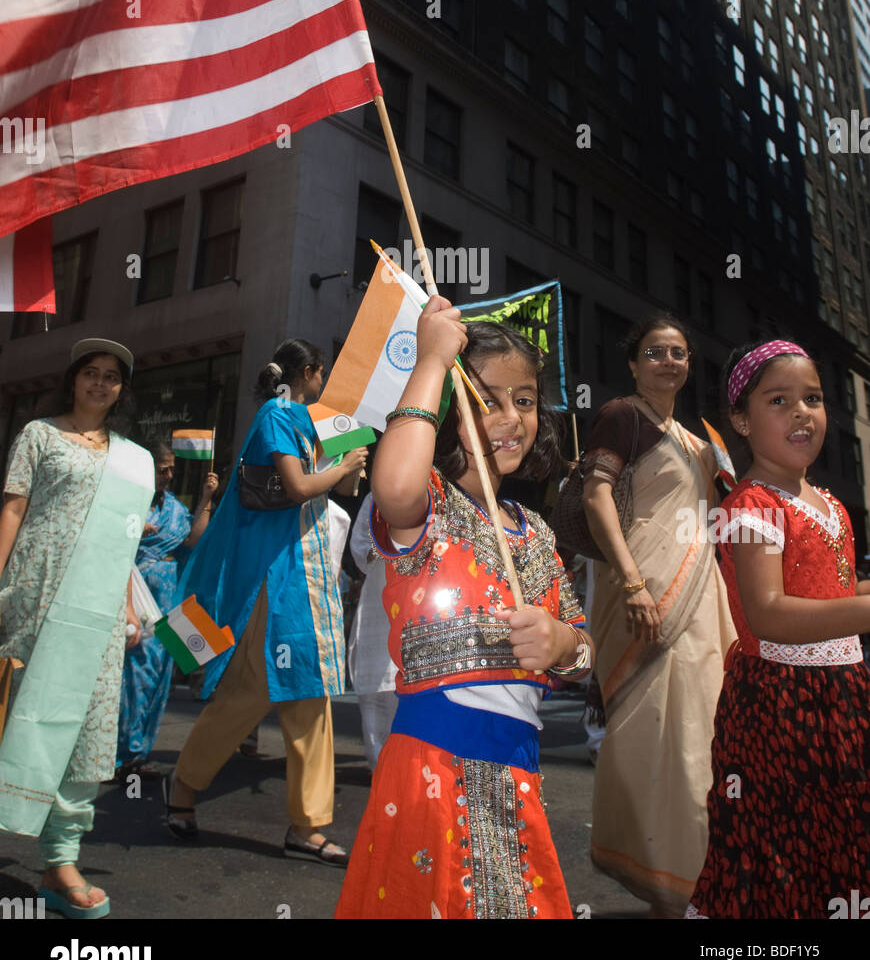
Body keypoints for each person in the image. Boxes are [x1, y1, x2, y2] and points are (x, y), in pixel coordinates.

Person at [335, 304, 592, 920]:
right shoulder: (425, 507)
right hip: (430, 774)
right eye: (487, 399)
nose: (510, 419)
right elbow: (394, 485)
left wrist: (560, 644)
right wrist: (430, 361)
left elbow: (585, 653)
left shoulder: (534, 531)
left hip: (518, 780)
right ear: (448, 410)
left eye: (525, 401)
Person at [163, 339, 367, 863]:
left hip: (306, 578)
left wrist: (350, 459)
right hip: (272, 579)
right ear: (309, 372)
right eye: (323, 374)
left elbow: (335, 492)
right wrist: (339, 469)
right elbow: (300, 487)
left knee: (310, 697)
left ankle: (308, 826)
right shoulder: (277, 416)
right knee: (247, 697)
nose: (326, 384)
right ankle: (182, 788)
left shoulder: (306, 421)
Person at [687, 340, 870, 918]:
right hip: (781, 705)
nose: (802, 413)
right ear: (741, 420)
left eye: (812, 399)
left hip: (841, 696)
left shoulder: (834, 506)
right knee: (780, 849)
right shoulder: (753, 505)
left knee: (840, 840)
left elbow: (833, 597)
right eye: (779, 400)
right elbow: (768, 614)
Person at [577, 314, 735, 917]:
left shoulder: (701, 439)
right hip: (644, 591)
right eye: (655, 352)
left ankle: (694, 873)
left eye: (678, 353)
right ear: (634, 363)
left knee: (702, 730)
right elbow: (596, 497)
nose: (668, 361)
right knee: (654, 732)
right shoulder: (622, 416)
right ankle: (661, 873)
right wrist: (633, 581)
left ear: (689, 365)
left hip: (702, 591)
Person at [0, 339, 154, 919]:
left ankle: (60, 858)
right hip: (32, 595)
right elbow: (13, 508)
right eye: (90, 372)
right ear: (73, 380)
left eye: (111, 376)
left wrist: (128, 606)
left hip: (96, 610)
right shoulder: (39, 434)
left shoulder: (131, 459)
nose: (99, 383)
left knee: (85, 725)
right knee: (16, 711)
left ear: (121, 390)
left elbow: (121, 542)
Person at [115, 441, 218, 779]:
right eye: (163, 469)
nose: (170, 475)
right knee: (136, 676)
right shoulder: (126, 501)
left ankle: (140, 751)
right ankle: (122, 753)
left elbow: (192, 540)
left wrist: (205, 498)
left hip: (170, 603)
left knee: (160, 676)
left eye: (172, 469)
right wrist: (133, 530)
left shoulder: (172, 506)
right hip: (138, 601)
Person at [346, 492, 398, 769]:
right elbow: (361, 550)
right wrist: (391, 542)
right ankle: (380, 766)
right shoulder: (378, 498)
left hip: (428, 607)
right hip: (381, 605)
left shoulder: (445, 493)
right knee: (377, 692)